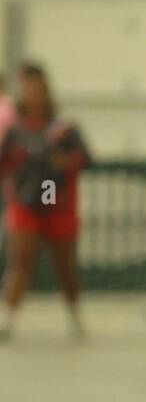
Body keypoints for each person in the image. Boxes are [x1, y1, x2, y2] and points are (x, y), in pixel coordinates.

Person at [0, 63, 92, 342]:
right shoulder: (15, 132)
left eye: (39, 92)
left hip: (57, 204)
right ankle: (8, 317)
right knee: (21, 259)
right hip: (25, 202)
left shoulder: (64, 129)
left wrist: (64, 161)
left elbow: (86, 159)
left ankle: (75, 314)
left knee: (65, 266)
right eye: (28, 92)